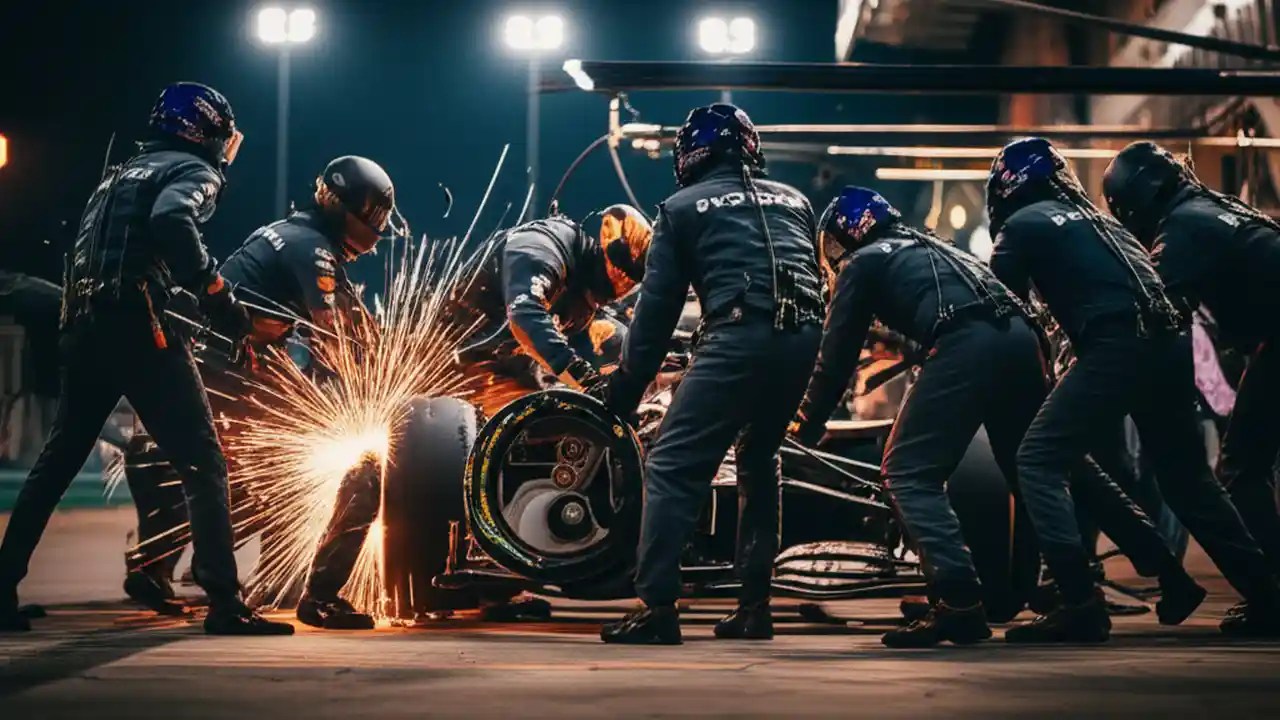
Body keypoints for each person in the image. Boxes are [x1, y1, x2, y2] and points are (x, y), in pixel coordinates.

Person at [792, 187, 1200, 647]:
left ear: (841, 237)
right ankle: (1160, 576)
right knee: (1054, 467)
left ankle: (959, 603)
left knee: (907, 472)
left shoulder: (861, 263)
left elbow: (836, 358)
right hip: (1021, 341)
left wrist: (804, 422)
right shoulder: (934, 246)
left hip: (965, 341)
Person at [0, 82, 291, 635]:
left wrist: (182, 297)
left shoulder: (119, 175)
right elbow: (171, 222)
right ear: (203, 129)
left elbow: (118, 253)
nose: (228, 146)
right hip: (136, 329)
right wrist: (216, 296)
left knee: (56, 464)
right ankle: (225, 603)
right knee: (204, 464)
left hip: (83, 323)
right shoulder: (194, 172)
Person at [988, 137, 1280, 638]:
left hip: (1121, 342)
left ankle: (1079, 601)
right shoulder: (1117, 229)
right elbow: (1163, 302)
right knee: (1190, 479)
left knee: (1037, 458)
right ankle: (1249, 592)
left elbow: (1004, 317)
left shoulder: (1023, 226)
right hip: (1169, 346)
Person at [125, 156, 397, 630]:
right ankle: (318, 594)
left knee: (222, 478)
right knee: (331, 472)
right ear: (343, 211)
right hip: (223, 379)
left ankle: (159, 563)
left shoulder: (291, 235)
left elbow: (358, 326)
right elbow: (335, 341)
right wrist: (369, 407)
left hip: (201, 374)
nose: (373, 236)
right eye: (370, 222)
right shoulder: (312, 251)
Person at [598, 103, 825, 645]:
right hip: (804, 340)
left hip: (739, 336)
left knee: (673, 463)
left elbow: (656, 315)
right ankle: (753, 607)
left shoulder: (680, 209)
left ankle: (656, 607)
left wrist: (625, 391)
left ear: (691, 155)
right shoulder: (795, 200)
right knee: (759, 458)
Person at [1104, 141, 1280, 586]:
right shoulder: (1215, 207)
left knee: (1241, 470)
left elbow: (1151, 307)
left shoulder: (1182, 227)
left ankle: (1274, 594)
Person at [451, 204, 652, 413]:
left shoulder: (583, 282)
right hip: (455, 360)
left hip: (504, 363)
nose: (623, 286)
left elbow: (612, 336)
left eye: (630, 283)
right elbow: (525, 315)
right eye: (622, 276)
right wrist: (585, 379)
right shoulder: (540, 248)